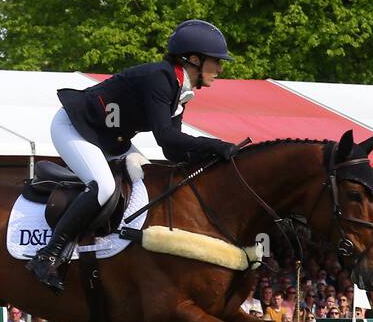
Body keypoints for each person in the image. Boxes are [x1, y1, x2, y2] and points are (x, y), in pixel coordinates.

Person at [27, 19, 239, 291]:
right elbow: (165, 136)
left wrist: (210, 162)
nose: (220, 68)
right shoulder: (160, 79)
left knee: (146, 179)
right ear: (194, 59)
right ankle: (48, 255)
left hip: (110, 138)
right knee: (103, 187)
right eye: (216, 61)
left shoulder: (180, 90)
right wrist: (215, 145)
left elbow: (172, 150)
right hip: (75, 127)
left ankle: (116, 250)